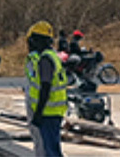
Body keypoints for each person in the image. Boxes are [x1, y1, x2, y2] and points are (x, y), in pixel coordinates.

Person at [25, 21, 68, 157]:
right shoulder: (54, 56)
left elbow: (45, 87)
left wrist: (38, 112)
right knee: (53, 148)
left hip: (48, 112)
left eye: (32, 41)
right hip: (54, 111)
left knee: (50, 151)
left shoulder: (45, 60)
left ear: (38, 40)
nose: (30, 45)